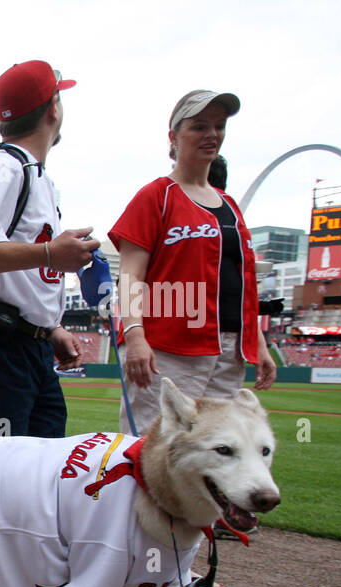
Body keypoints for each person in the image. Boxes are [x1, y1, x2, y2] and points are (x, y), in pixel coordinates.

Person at [0, 60, 95, 442]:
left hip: (27, 345)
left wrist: (51, 328)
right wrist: (49, 255)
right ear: (53, 109)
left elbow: (15, 274)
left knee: (38, 480)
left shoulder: (35, 176)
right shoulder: (1, 168)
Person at [111, 89, 275, 439]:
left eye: (218, 126)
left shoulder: (229, 205)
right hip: (167, 346)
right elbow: (130, 275)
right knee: (153, 446)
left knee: (211, 454)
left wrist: (257, 343)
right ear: (174, 136)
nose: (212, 134)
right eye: (200, 126)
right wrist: (135, 336)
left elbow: (243, 282)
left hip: (228, 349)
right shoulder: (156, 195)